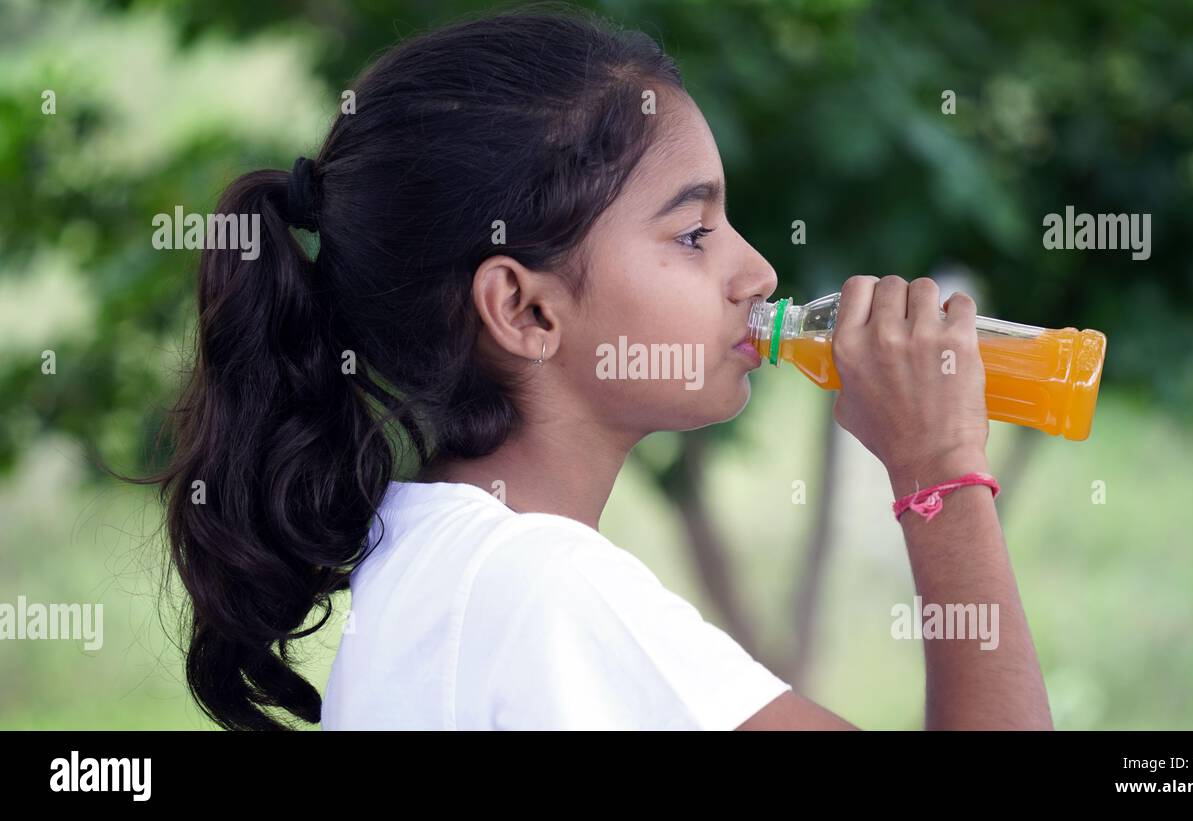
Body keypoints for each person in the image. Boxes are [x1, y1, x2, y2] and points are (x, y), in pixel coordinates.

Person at [142, 5, 1051, 731]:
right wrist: (939, 475)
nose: (758, 273)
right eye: (693, 233)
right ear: (525, 309)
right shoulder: (547, 589)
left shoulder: (434, 562)